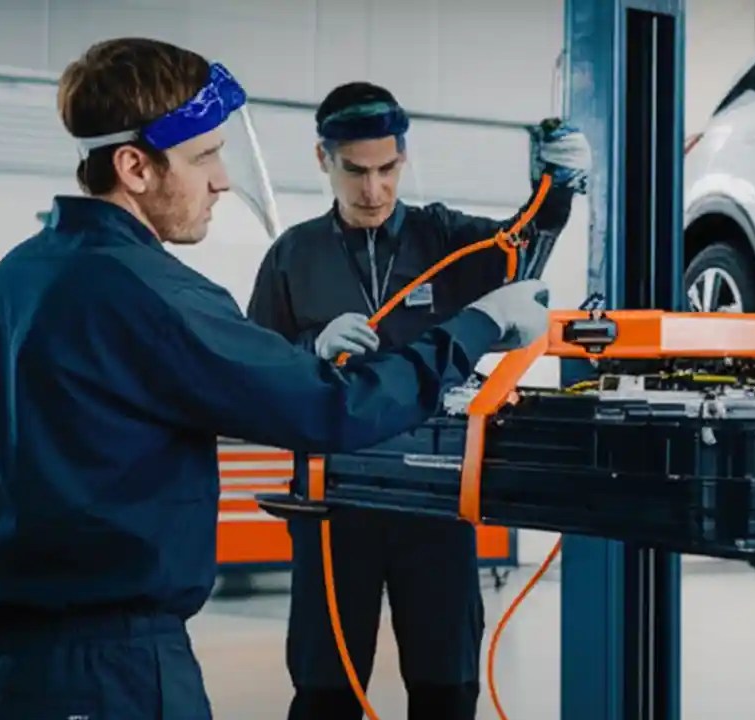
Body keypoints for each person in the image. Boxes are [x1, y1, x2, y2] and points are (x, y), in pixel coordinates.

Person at [0, 38, 551, 720]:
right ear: (134, 167)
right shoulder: (156, 293)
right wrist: (476, 328)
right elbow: (333, 409)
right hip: (110, 673)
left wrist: (556, 193)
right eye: (205, 155)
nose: (222, 181)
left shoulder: (21, 273)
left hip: (4, 668)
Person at [246, 81, 591, 719]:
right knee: (326, 690)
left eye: (387, 169)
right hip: (332, 505)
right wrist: (307, 344)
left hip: (435, 500)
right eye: (355, 171)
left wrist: (560, 187)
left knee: (446, 686)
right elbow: (253, 371)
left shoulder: (444, 238)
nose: (373, 190)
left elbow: (523, 248)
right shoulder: (292, 256)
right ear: (324, 160)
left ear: (403, 157)